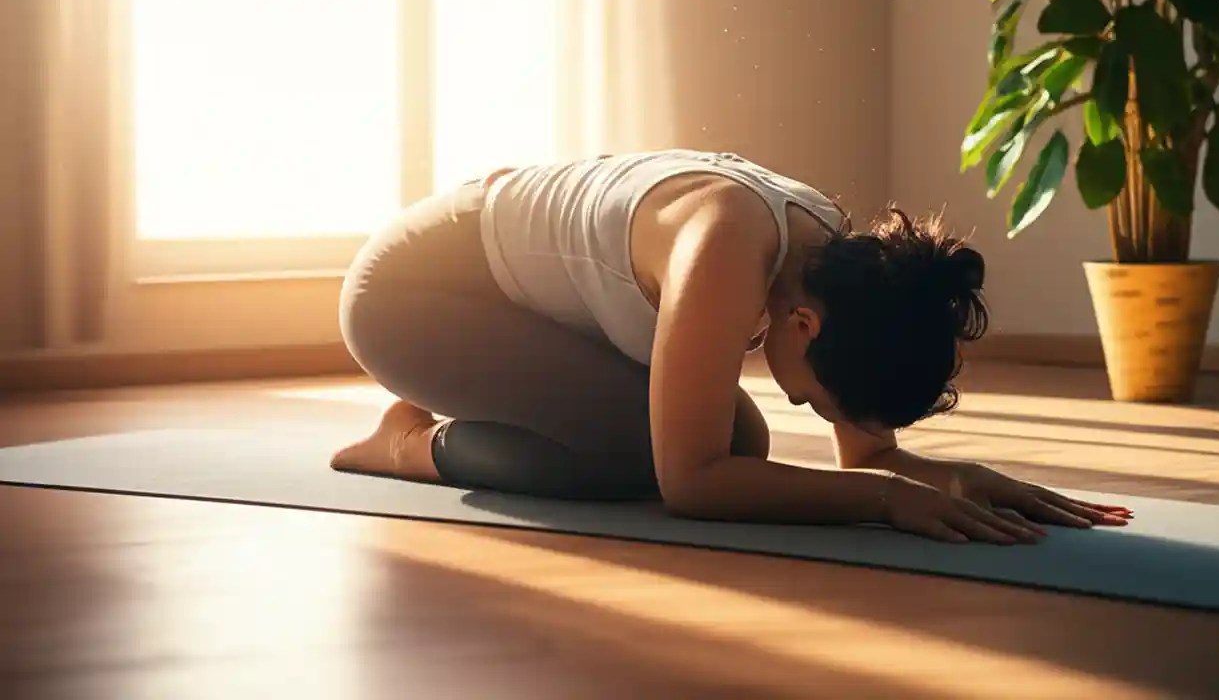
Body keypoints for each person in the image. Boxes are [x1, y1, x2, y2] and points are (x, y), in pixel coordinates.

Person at [332, 149, 1132, 544]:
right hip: (411, 297)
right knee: (653, 456)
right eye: (813, 398)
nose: (795, 400)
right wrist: (887, 501)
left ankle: (426, 424)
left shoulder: (836, 269)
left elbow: (864, 458)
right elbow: (690, 485)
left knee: (737, 438)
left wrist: (961, 477)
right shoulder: (728, 247)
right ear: (806, 328)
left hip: (527, 310)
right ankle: (405, 443)